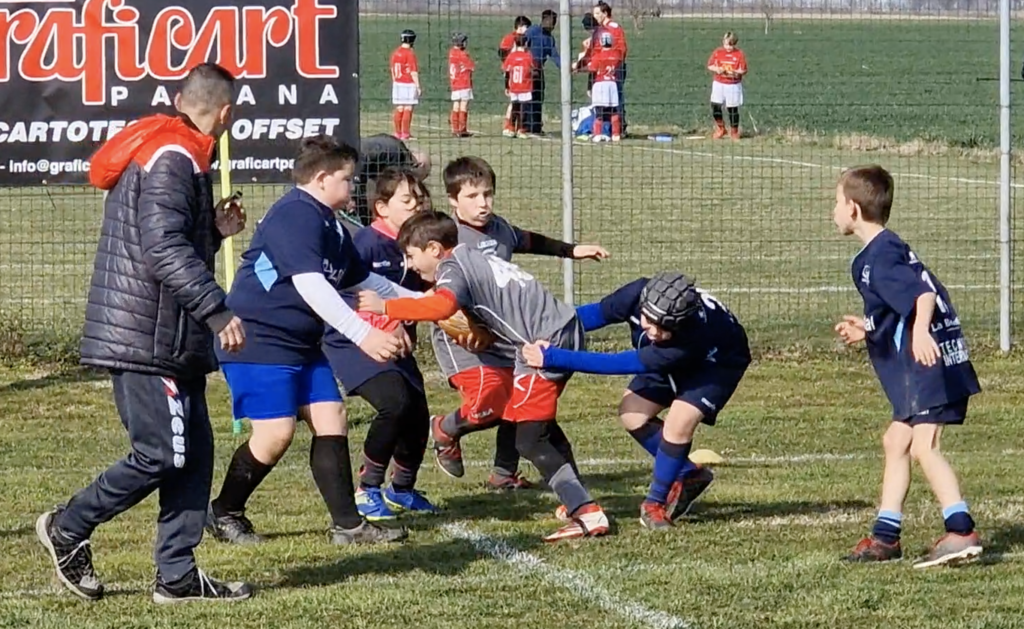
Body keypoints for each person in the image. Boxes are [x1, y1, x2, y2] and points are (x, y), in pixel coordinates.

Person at [36, 62, 253, 603]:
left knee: (194, 451)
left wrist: (212, 230)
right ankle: (68, 525)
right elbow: (161, 249)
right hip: (146, 335)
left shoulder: (169, 148)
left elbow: (163, 241)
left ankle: (177, 577)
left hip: (167, 335)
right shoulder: (173, 158)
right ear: (225, 113)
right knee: (161, 453)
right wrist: (218, 312)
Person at [204, 136, 413, 548]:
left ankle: (349, 526)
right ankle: (223, 511)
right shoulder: (296, 214)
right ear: (321, 179)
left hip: (300, 344)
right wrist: (363, 333)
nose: (353, 188)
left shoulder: (330, 222)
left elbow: (362, 281)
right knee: (276, 434)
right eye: (347, 179)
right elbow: (312, 286)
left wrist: (428, 304)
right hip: (257, 340)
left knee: (331, 416)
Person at [358, 211, 612, 542]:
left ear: (434, 248)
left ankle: (586, 512)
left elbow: (441, 307)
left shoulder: (454, 267)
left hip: (544, 344)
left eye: (411, 255)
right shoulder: (472, 256)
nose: (411, 265)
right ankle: (574, 499)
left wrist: (386, 307)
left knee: (529, 437)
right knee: (540, 427)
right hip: (560, 331)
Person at [426, 156, 609, 491]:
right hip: (463, 338)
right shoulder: (451, 239)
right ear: (453, 200)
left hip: (504, 333)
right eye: (472, 196)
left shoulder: (498, 228)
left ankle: (503, 474)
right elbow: (437, 292)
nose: (483, 203)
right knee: (492, 405)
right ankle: (445, 428)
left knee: (518, 398)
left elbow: (528, 240)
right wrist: (464, 326)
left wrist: (571, 250)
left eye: (488, 194)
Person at [831, 165, 983, 568]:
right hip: (925, 361)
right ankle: (886, 537)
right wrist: (868, 328)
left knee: (924, 446)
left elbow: (921, 297)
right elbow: (900, 302)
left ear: (853, 208)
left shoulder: (878, 258)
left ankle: (961, 530)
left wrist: (919, 334)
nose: (833, 210)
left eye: (836, 202)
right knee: (895, 441)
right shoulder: (880, 251)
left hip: (928, 363)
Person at [523, 273, 750, 529]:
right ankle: (689, 473)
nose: (653, 331)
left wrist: (554, 356)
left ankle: (654, 504)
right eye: (649, 321)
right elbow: (591, 315)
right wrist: (549, 331)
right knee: (632, 414)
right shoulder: (635, 294)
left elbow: (618, 363)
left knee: (680, 421)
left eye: (664, 328)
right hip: (675, 357)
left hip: (717, 363)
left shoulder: (689, 337)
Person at [323, 167, 438, 521]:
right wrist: (388, 322)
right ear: (381, 208)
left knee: (418, 412)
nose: (416, 206)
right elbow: (348, 296)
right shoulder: (367, 244)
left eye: (419, 199)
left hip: (395, 341)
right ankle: (367, 489)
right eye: (407, 201)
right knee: (394, 403)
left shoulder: (416, 242)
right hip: (352, 339)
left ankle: (401, 490)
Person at [351, 134, 431, 226]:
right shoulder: (400, 158)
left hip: (359, 154)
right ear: (420, 165)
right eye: (423, 175)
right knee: (358, 199)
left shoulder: (396, 147)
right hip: (360, 160)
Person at [587, 3, 629, 135]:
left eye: (598, 14)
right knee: (601, 99)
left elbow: (622, 49)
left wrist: (612, 63)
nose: (595, 16)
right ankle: (604, 129)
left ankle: (618, 128)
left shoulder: (614, 28)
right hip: (600, 67)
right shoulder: (599, 30)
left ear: (605, 14)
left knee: (616, 97)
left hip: (613, 68)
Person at [523, 10, 561, 134]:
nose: (553, 24)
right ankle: (525, 126)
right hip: (527, 70)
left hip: (539, 71)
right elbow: (522, 45)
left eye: (555, 22)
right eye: (552, 21)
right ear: (544, 20)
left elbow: (555, 56)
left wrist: (566, 67)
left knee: (538, 99)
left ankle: (536, 126)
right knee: (527, 99)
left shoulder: (550, 39)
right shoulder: (532, 31)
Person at [707, 31, 747, 140]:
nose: (728, 47)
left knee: (732, 109)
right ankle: (721, 128)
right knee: (715, 106)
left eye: (731, 45)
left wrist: (735, 72)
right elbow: (710, 65)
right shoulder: (718, 52)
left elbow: (743, 70)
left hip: (733, 85)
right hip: (719, 83)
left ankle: (734, 132)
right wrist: (717, 69)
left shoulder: (739, 54)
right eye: (726, 44)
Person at [586, 31, 624, 143]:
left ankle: (597, 133)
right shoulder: (616, 56)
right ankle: (616, 134)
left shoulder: (597, 57)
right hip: (612, 84)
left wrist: (589, 87)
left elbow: (592, 72)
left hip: (600, 83)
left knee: (599, 111)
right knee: (613, 110)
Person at [498, 16, 532, 128]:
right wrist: (508, 63)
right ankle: (509, 125)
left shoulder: (524, 39)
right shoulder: (510, 38)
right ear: (520, 27)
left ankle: (515, 124)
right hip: (512, 71)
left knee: (516, 101)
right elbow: (501, 51)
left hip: (520, 71)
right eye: (527, 27)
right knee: (514, 101)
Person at [502, 35, 535, 139]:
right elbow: (533, 69)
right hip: (525, 86)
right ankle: (521, 129)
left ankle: (511, 128)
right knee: (523, 109)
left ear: (515, 44)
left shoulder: (511, 56)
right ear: (526, 44)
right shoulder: (528, 56)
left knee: (515, 108)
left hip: (514, 86)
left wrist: (507, 86)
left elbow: (507, 72)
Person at [390, 29, 420, 140]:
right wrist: (418, 86)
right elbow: (413, 71)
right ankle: (406, 133)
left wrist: (395, 81)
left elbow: (392, 69)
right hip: (408, 83)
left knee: (400, 108)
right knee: (408, 107)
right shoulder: (410, 53)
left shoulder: (395, 52)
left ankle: (397, 133)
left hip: (397, 82)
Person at [448, 32, 476, 138]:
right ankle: (462, 129)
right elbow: (471, 66)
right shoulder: (462, 54)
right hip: (464, 82)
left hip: (454, 82)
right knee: (463, 105)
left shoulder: (452, 52)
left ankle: (455, 129)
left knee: (456, 105)